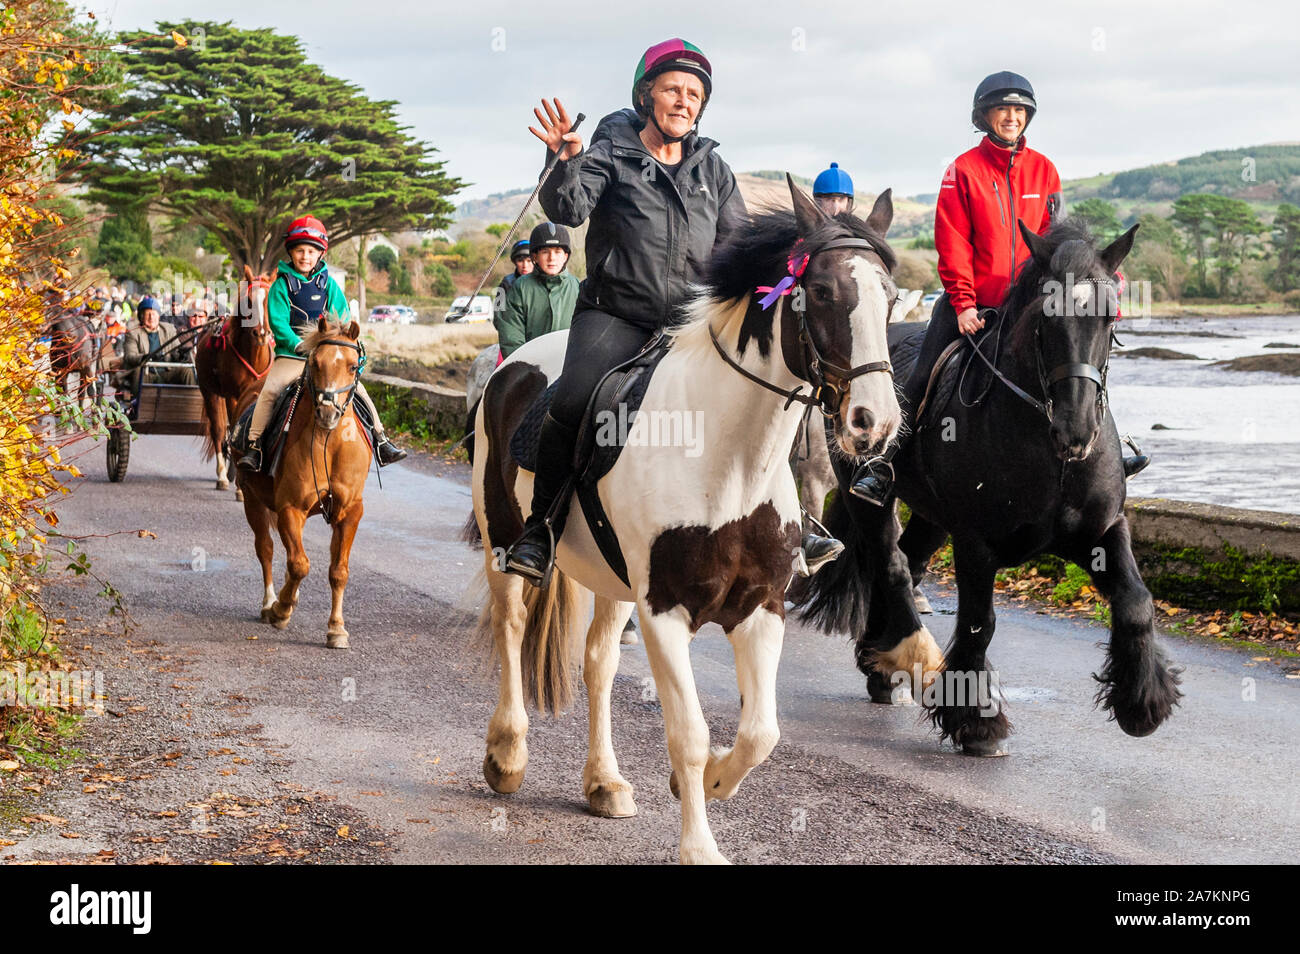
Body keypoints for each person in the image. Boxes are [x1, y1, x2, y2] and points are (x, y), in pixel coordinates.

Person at [503, 39, 757, 583]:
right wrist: (562, 162)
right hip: (616, 314)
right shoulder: (611, 152)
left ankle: (782, 519)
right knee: (573, 399)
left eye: (694, 94)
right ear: (647, 96)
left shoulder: (714, 170)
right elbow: (567, 209)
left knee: (758, 394)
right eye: (672, 89)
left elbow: (739, 250)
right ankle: (540, 528)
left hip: (691, 325)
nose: (683, 101)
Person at [850, 71, 1147, 505]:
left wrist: (1094, 277)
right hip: (973, 306)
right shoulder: (963, 170)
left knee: (1079, 363)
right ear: (984, 116)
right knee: (921, 378)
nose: (1012, 117)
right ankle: (885, 466)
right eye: (1003, 109)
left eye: (1020, 110)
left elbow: (1059, 239)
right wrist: (964, 303)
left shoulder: (1044, 169)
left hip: (1030, 304)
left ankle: (1107, 456)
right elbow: (952, 241)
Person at [237, 215, 406, 473]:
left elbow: (342, 318)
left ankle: (381, 440)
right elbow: (280, 324)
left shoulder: (330, 286)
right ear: (291, 252)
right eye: (300, 251)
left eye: (311, 251)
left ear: (320, 254)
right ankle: (254, 446)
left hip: (326, 358)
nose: (305, 256)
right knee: (270, 391)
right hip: (291, 357)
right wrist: (301, 346)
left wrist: (336, 346)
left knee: (359, 391)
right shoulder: (281, 286)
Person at [495, 222, 579, 360]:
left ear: (565, 256)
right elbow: (503, 323)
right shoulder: (507, 285)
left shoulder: (577, 286)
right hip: (524, 355)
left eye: (557, 251)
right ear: (535, 257)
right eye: (545, 252)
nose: (551, 258)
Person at [120, 295, 181, 389]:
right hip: (146, 372)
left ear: (159, 316)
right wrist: (147, 356)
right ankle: (139, 402)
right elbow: (130, 356)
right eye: (147, 314)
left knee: (187, 371)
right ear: (141, 317)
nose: (151, 317)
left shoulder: (168, 329)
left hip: (166, 371)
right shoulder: (133, 333)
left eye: (154, 314)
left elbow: (176, 350)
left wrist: (182, 355)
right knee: (138, 372)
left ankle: (192, 402)